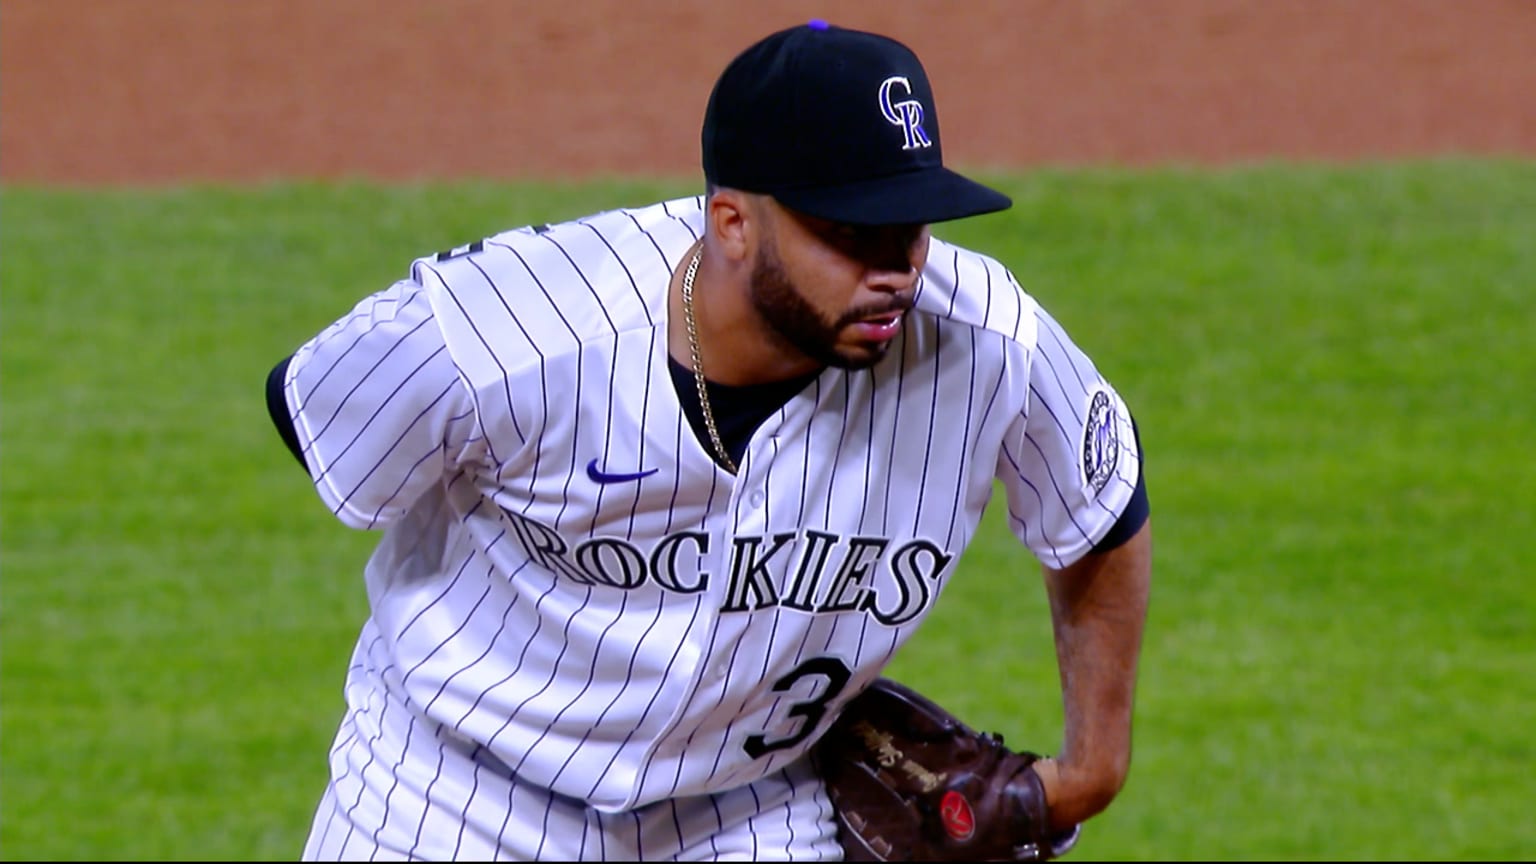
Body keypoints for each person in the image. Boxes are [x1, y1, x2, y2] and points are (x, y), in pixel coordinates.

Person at [266, 18, 1151, 862]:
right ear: (732, 222)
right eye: (849, 235)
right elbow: (312, 402)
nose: (895, 271)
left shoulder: (986, 340)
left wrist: (1091, 770)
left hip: (747, 809)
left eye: (911, 228)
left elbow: (1101, 499)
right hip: (454, 791)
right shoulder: (515, 330)